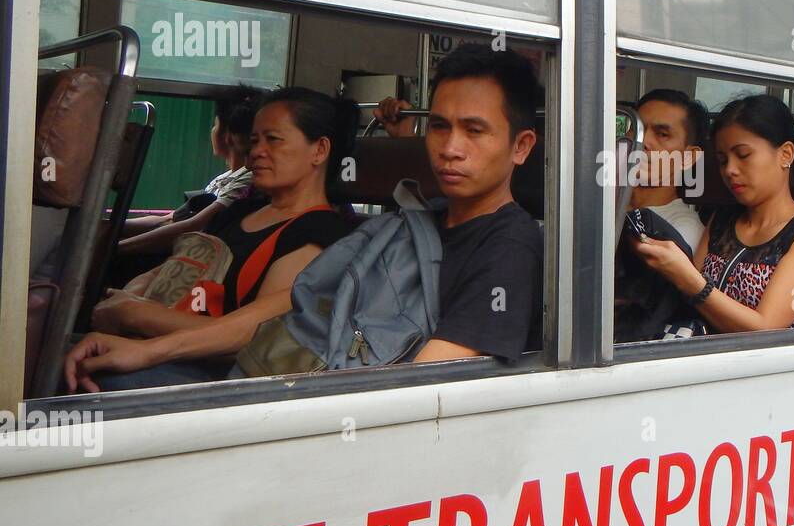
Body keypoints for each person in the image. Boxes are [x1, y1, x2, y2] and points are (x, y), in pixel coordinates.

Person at [63, 89, 360, 391]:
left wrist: (135, 315)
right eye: (255, 140)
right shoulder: (237, 211)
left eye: (273, 139)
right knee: (54, 348)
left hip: (222, 374)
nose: (256, 151)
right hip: (167, 346)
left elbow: (251, 337)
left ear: (319, 150)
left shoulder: (320, 235)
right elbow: (176, 266)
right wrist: (129, 299)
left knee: (84, 373)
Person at [376, 44, 543, 363]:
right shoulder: (421, 219)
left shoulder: (510, 248)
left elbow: (425, 383)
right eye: (439, 127)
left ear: (521, 146)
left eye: (474, 130)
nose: (451, 148)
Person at [633, 94, 794, 332]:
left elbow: (766, 328)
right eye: (722, 160)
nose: (730, 170)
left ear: (786, 154)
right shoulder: (722, 220)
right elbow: (690, 306)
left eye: (743, 155)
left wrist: (690, 280)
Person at [116, 86, 261, 255]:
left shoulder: (246, 180)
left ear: (226, 135)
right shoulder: (224, 178)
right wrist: (113, 226)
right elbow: (170, 219)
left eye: (215, 125)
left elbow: (192, 226)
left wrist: (118, 248)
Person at [629, 89, 709, 252]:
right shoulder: (601, 203)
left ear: (689, 157)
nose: (644, 141)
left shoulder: (682, 229)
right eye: (638, 129)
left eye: (662, 134)